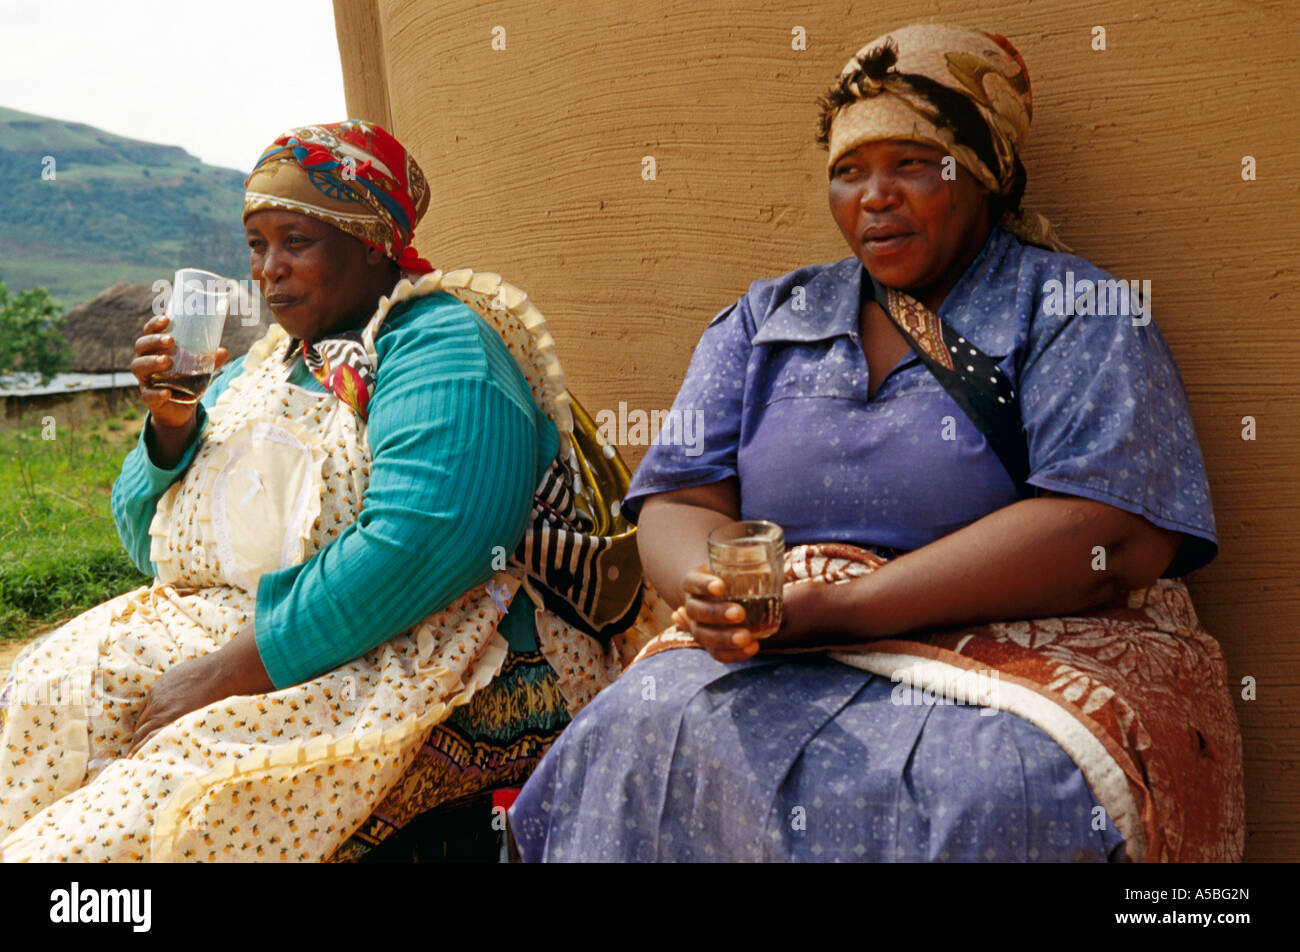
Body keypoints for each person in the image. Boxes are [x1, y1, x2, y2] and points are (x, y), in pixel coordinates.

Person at [508, 24, 1244, 862]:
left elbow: (1113, 531)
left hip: (1013, 655)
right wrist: (714, 596)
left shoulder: (1075, 309)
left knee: (992, 790)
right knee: (635, 734)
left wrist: (849, 608)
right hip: (781, 643)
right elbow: (679, 497)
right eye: (848, 172)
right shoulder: (767, 320)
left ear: (984, 173)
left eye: (913, 165)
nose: (875, 196)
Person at [0, 120, 647, 862]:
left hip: (430, 651)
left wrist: (225, 672)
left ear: (373, 241)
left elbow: (426, 540)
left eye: (296, 241)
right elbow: (150, 545)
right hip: (256, 636)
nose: (267, 270)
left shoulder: (439, 340)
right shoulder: (270, 363)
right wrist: (173, 430)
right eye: (256, 245)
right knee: (49, 700)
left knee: (148, 820)